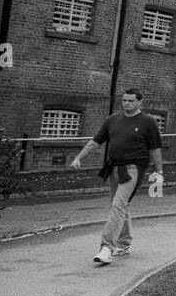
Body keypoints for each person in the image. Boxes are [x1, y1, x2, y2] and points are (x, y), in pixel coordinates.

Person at [69, 88, 163, 266]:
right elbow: (95, 141)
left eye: (131, 101)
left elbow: (155, 149)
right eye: (124, 100)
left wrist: (159, 172)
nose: (126, 103)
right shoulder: (113, 120)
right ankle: (124, 243)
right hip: (113, 167)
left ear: (139, 102)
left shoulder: (148, 122)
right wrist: (79, 158)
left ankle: (106, 248)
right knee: (120, 205)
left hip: (133, 168)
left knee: (118, 206)